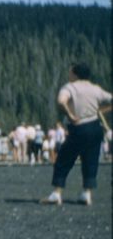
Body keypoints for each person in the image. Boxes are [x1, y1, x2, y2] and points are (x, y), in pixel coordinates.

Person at [41, 63, 112, 206]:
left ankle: (57, 193)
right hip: (95, 127)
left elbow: (61, 101)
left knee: (64, 159)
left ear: (75, 74)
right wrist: (102, 110)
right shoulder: (95, 88)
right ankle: (86, 193)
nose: (69, 75)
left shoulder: (70, 87)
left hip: (79, 127)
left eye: (70, 72)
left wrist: (71, 115)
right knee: (90, 160)